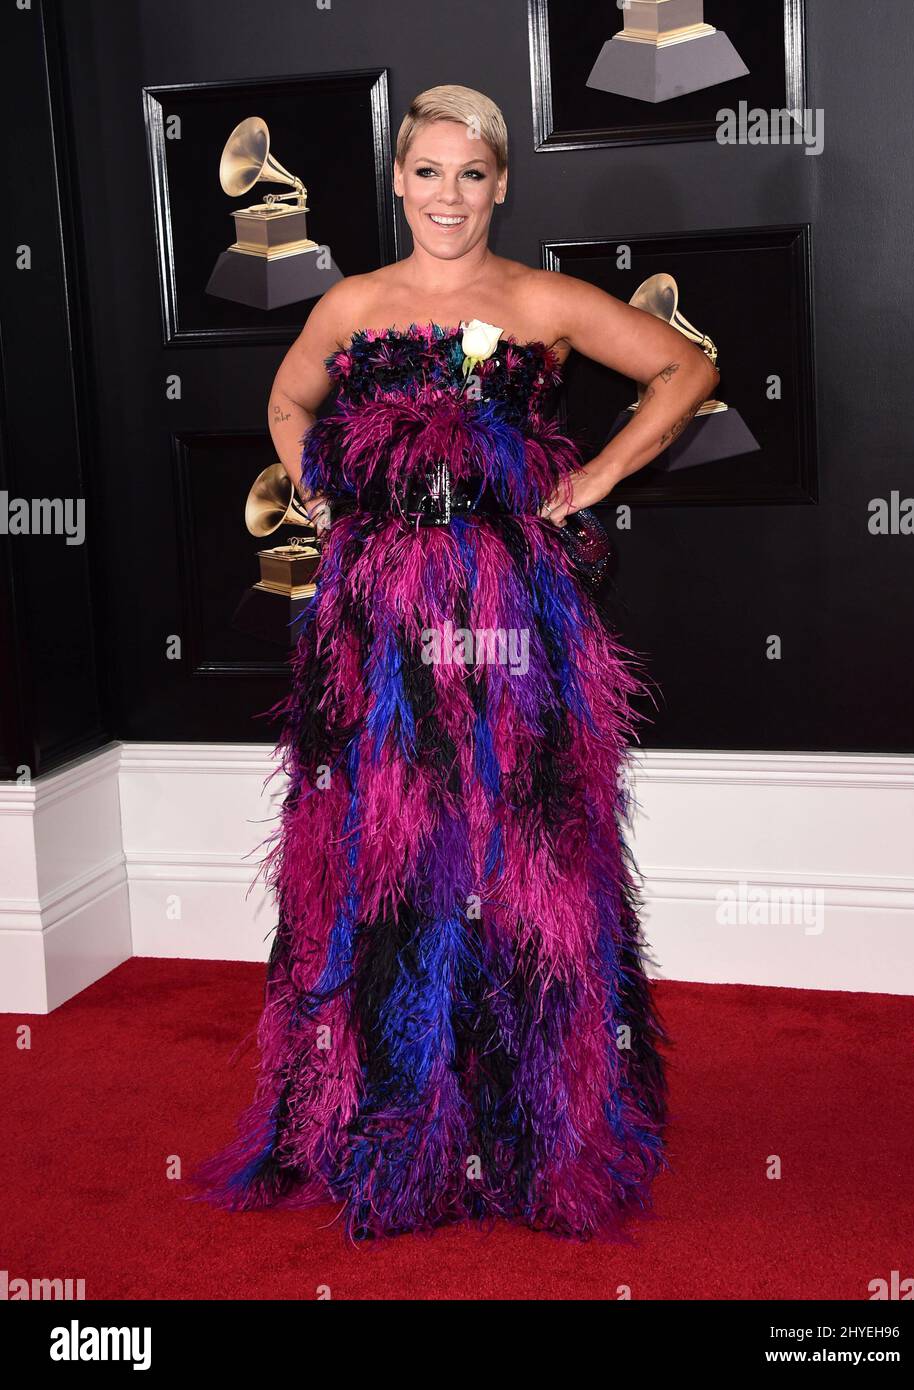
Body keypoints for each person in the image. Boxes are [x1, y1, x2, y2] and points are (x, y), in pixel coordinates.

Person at [185, 84, 718, 1241]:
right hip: (374, 627)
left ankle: (535, 1121)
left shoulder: (539, 298)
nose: (447, 197)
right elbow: (287, 397)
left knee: (520, 847)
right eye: (426, 172)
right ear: (395, 181)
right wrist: (324, 497)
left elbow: (682, 372)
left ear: (502, 184)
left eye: (470, 175)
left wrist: (595, 478)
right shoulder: (354, 302)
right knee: (385, 856)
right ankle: (387, 1115)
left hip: (506, 616)